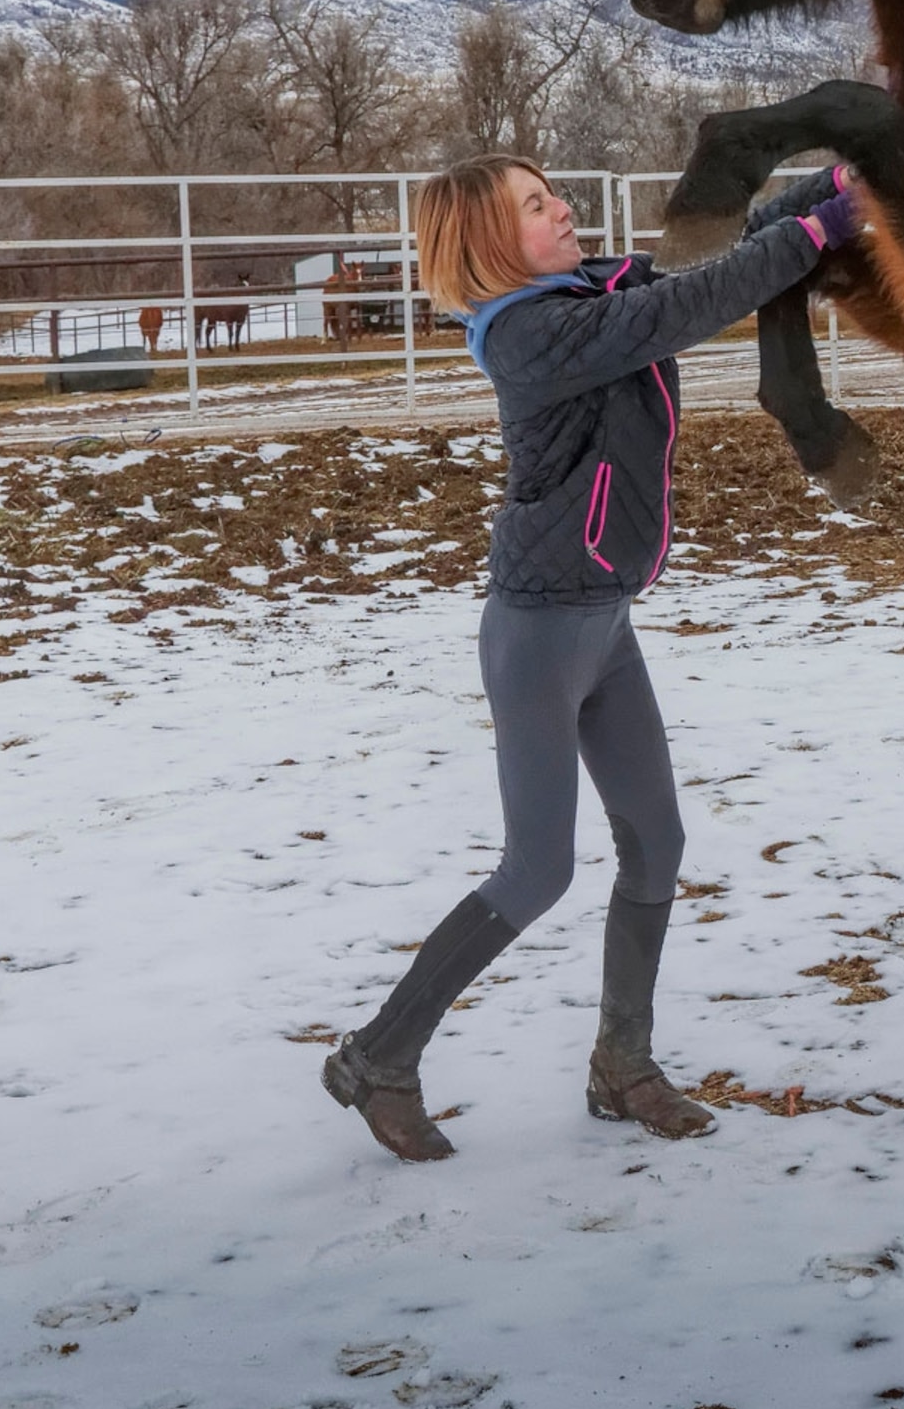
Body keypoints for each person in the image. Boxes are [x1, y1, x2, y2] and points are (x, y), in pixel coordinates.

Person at [323, 153, 862, 1160]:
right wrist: (821, 235)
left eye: (551, 194)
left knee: (656, 843)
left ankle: (624, 1067)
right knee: (537, 871)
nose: (563, 208)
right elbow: (681, 314)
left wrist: (834, 187)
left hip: (603, 622)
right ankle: (378, 1058)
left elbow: (713, 266)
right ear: (491, 242)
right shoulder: (527, 334)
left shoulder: (585, 295)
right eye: (536, 205)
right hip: (538, 635)